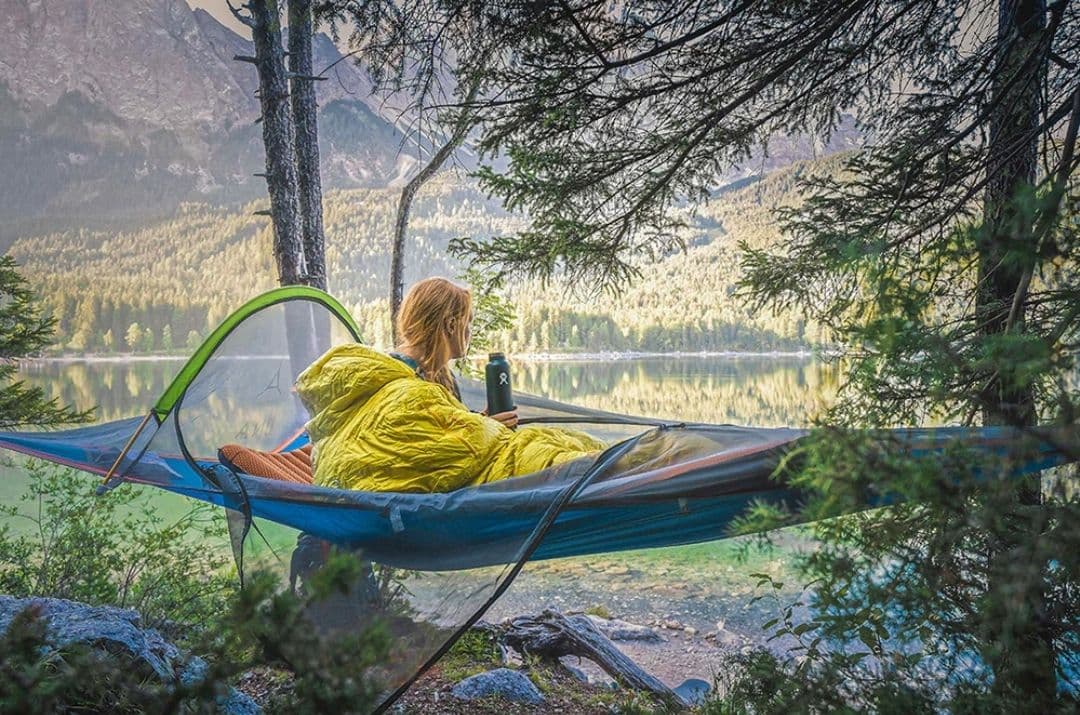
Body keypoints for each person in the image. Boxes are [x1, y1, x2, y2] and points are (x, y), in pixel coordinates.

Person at [294, 277, 604, 493]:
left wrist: (477, 423)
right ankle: (618, 464)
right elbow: (446, 448)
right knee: (543, 451)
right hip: (365, 505)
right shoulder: (409, 390)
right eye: (467, 322)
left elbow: (428, 440)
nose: (469, 331)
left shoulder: (392, 376)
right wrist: (486, 430)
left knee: (553, 441)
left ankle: (614, 459)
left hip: (346, 505)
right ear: (450, 324)